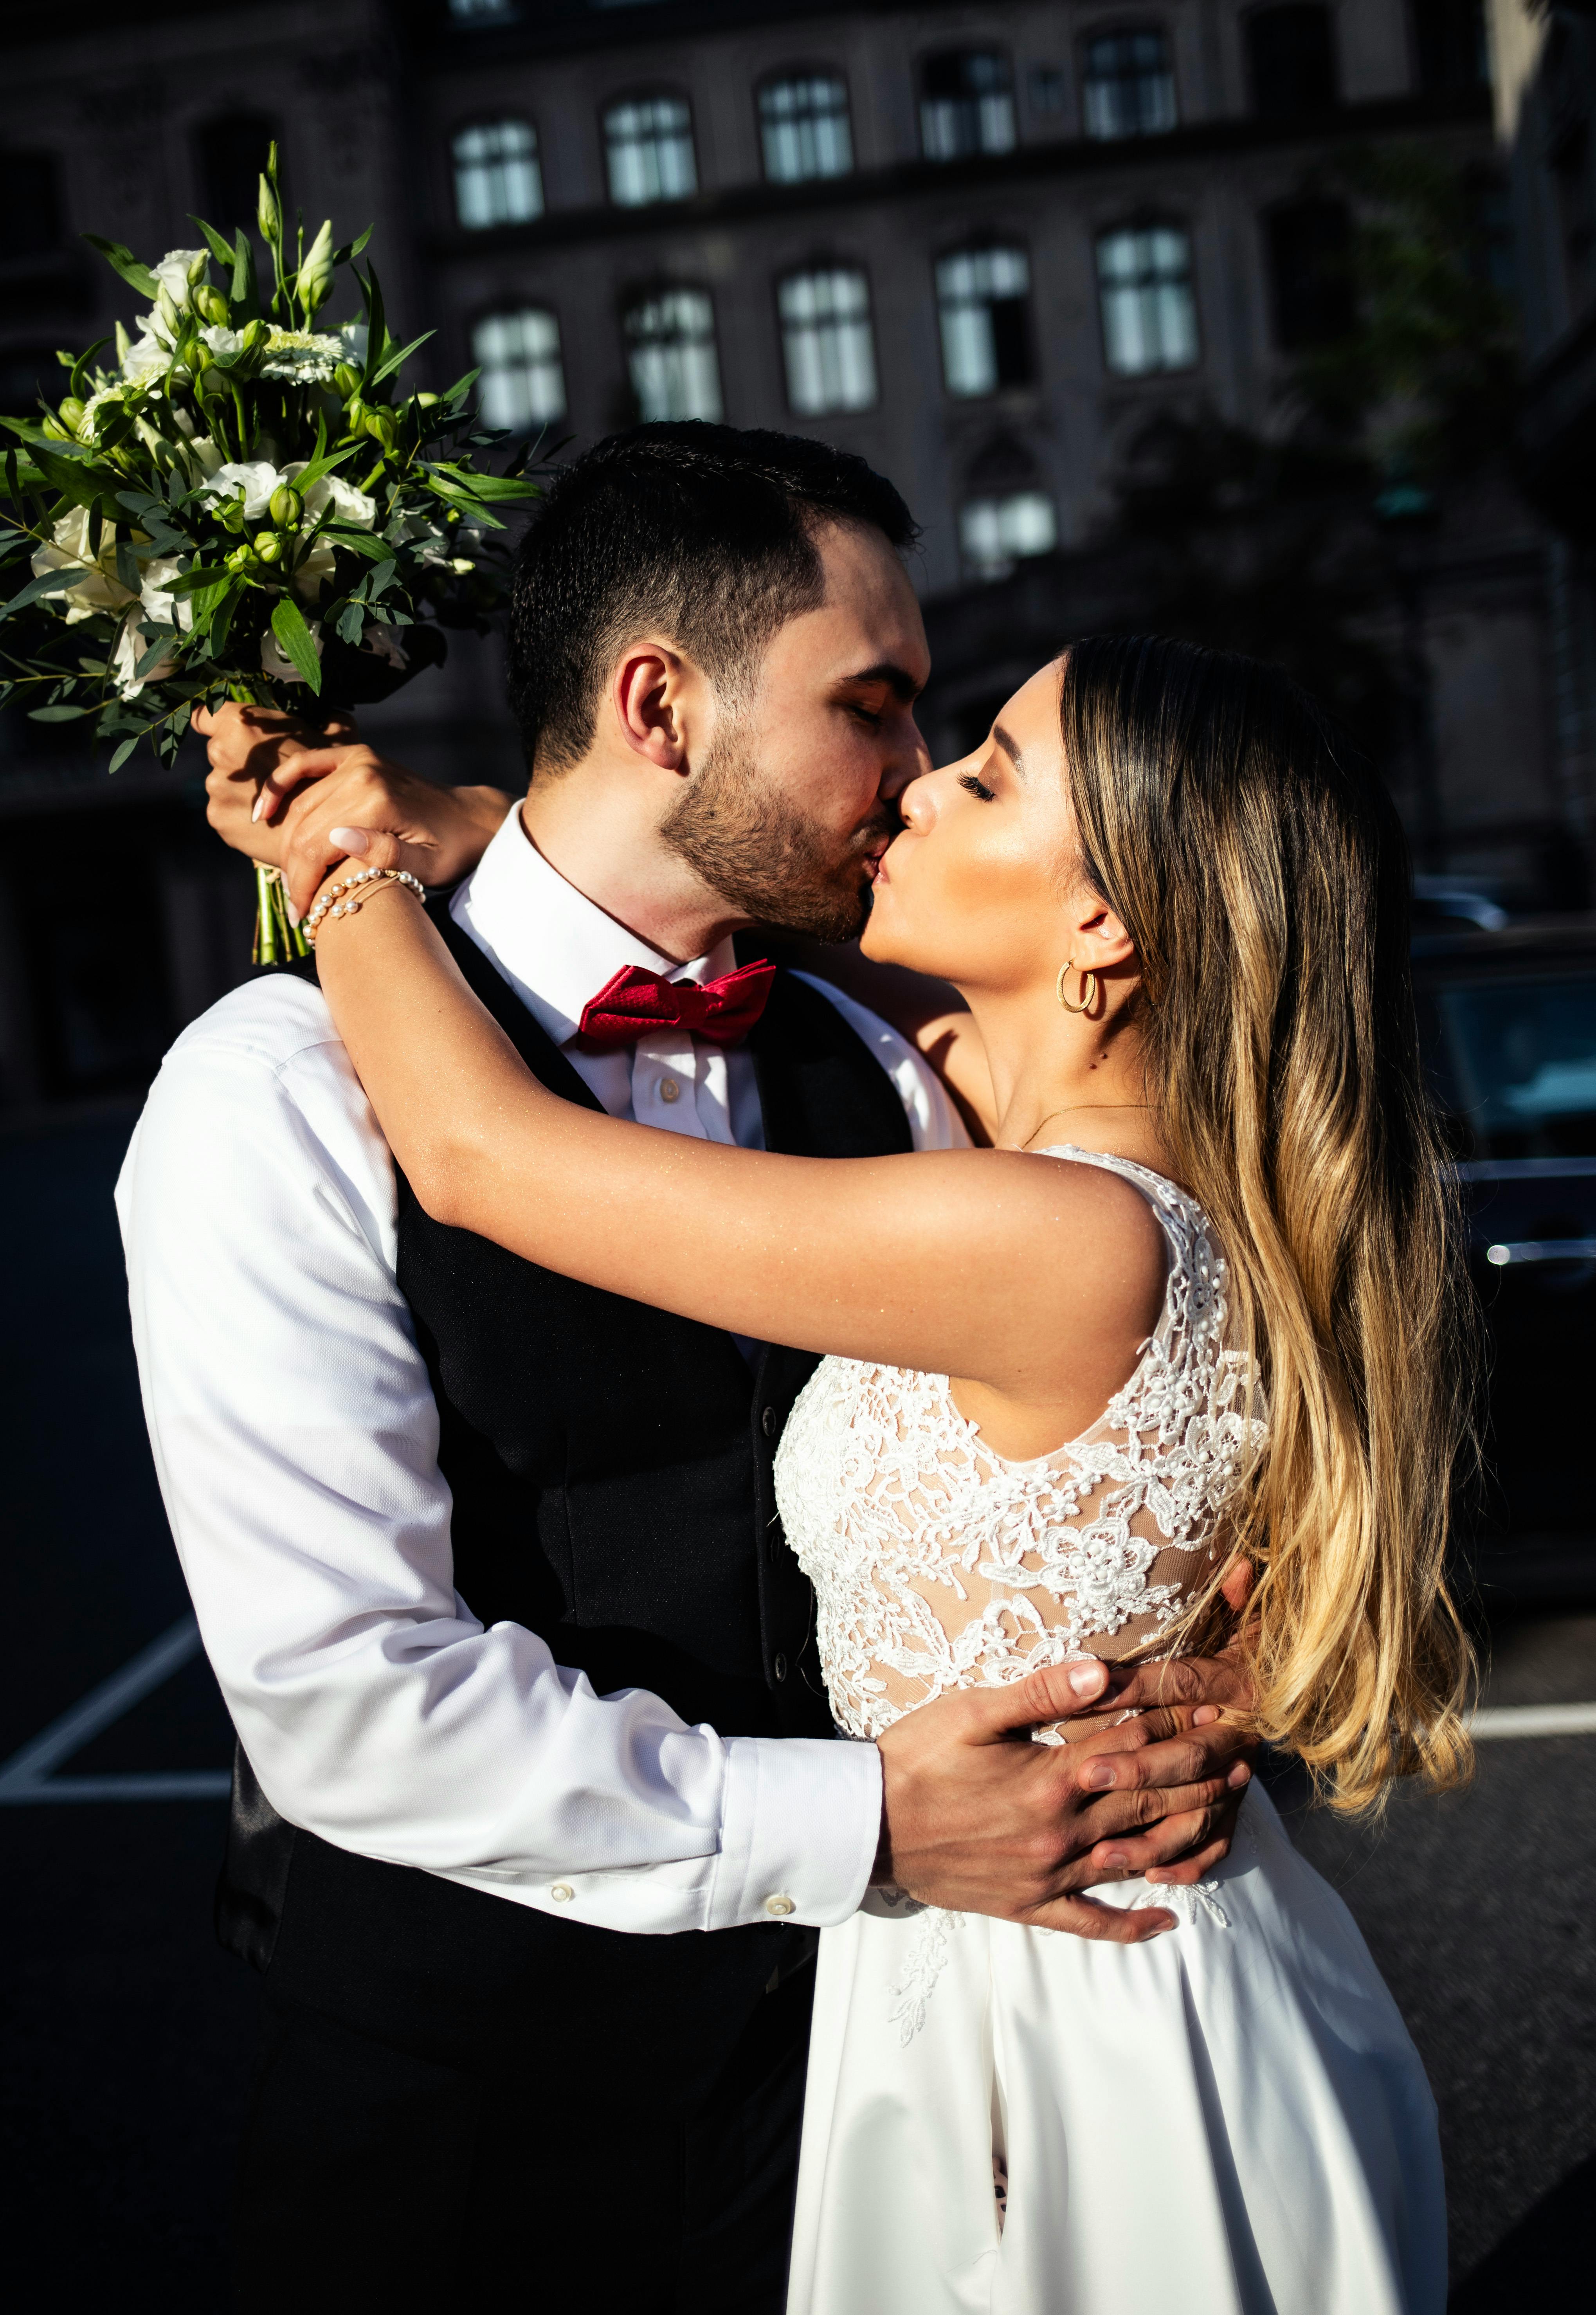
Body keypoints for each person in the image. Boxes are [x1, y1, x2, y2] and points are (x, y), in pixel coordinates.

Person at [120, 425, 1256, 2315]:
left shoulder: (884, 1064)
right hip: (480, 2118)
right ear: (660, 703)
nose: (909, 778)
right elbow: (347, 1698)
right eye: (876, 708)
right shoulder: (277, 1093)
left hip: (883, 2075)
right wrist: (865, 1823)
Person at [271, 627, 1475, 2315]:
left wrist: (345, 865)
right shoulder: (1069, 1126)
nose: (915, 785)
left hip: (1062, 2029)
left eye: (986, 776)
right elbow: (789, 933)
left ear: (1104, 924)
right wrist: (495, 826)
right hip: (1057, 1955)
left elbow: (480, 1155)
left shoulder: (1058, 1235)